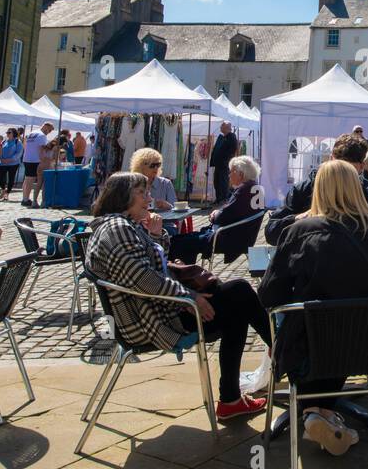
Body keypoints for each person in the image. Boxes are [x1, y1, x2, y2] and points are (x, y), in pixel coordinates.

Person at [85, 171, 272, 419]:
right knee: (240, 291)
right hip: (154, 321)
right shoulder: (118, 229)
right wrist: (190, 297)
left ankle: (232, 398)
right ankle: (287, 354)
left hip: (156, 309)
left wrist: (153, 235)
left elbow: (149, 265)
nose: (149, 198)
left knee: (237, 305)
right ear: (122, 197)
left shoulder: (118, 225)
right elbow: (144, 279)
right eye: (142, 193)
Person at [260, 160, 368, 453]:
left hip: (309, 348)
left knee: (312, 329)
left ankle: (315, 413)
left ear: (319, 190)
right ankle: (323, 415)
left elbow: (269, 294)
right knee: (339, 329)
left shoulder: (299, 231)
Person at [266, 132, 368, 245]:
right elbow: (271, 232)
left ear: (362, 167)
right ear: (331, 159)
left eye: (348, 171)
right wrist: (298, 218)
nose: (342, 177)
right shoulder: (304, 189)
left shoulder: (364, 193)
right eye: (338, 168)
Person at [171, 156, 262, 263]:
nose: (229, 176)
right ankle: (186, 273)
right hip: (242, 237)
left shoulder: (244, 190)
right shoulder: (256, 189)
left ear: (240, 174)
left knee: (178, 242)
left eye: (231, 172)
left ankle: (181, 274)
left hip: (228, 239)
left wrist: (214, 215)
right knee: (183, 239)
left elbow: (223, 217)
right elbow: (233, 211)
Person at [21, 122, 51, 207]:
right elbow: (42, 149)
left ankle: (25, 197)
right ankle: (25, 199)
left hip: (27, 158)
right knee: (31, 179)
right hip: (35, 159)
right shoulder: (42, 136)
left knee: (27, 179)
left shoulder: (32, 133)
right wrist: (43, 160)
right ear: (46, 127)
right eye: (49, 130)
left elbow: (24, 144)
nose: (48, 132)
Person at [210, 121, 238, 204]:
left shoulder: (231, 137)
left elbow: (232, 150)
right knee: (217, 182)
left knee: (223, 181)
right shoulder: (222, 137)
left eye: (222, 126)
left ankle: (224, 199)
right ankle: (219, 198)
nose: (220, 127)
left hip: (224, 164)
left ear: (227, 128)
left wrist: (225, 160)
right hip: (218, 164)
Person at [0, 127, 24, 202]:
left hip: (13, 163)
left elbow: (19, 152)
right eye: (7, 133)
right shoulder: (4, 141)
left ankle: (7, 194)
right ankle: (3, 189)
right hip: (2, 162)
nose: (7, 134)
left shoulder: (17, 142)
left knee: (11, 178)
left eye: (9, 133)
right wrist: (0, 158)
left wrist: (10, 159)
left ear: (14, 134)